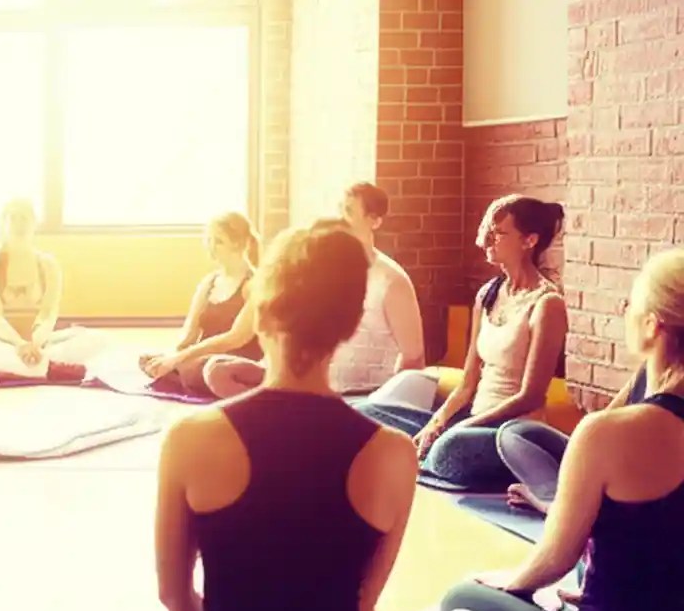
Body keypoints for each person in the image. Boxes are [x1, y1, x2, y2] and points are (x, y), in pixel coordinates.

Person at [123, 222, 417, 611]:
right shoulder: (395, 453)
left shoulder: (190, 438)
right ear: (348, 328)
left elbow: (172, 594)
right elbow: (360, 607)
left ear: (260, 313)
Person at [440, 247, 684, 611]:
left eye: (631, 304)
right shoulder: (622, 418)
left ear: (653, 325)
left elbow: (555, 560)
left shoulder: (607, 433)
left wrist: (511, 583)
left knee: (460, 604)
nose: (626, 311)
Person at [353, 195, 568, 492]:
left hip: (510, 432)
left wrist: (462, 428)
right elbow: (468, 384)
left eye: (499, 233)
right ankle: (417, 455)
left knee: (450, 450)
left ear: (529, 241)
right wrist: (437, 423)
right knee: (364, 413)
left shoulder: (547, 304)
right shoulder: (488, 294)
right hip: (471, 419)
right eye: (489, 230)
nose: (488, 239)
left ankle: (416, 458)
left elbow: (530, 397)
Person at [203, 182, 424, 398]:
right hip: (302, 381)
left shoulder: (391, 281)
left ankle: (281, 407)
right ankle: (276, 403)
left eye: (348, 211)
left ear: (374, 221)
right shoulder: (320, 268)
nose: (339, 217)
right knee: (216, 371)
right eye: (339, 208)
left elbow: (413, 358)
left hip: (356, 394)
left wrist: (382, 402)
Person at [0, 198, 106, 381]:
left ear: (34, 224)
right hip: (1, 341)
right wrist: (20, 345)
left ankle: (24, 369)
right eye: (13, 218)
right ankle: (48, 368)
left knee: (97, 338)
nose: (19, 224)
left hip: (40, 344)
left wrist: (34, 345)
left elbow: (48, 314)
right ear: (3, 224)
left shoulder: (48, 264)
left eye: (24, 218)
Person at [139, 212, 264, 397]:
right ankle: (191, 377)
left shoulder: (255, 285)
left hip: (232, 364)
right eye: (209, 240)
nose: (211, 247)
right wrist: (170, 358)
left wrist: (178, 359)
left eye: (218, 241)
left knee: (213, 371)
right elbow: (189, 334)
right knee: (149, 361)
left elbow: (235, 338)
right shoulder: (209, 283)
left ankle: (249, 395)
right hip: (202, 360)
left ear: (238, 244)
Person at [499, 364, 648, 514]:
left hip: (617, 476)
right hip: (598, 458)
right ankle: (558, 497)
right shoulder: (645, 370)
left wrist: (532, 496)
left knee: (508, 437)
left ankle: (554, 503)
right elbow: (605, 418)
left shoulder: (661, 403)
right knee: (514, 433)